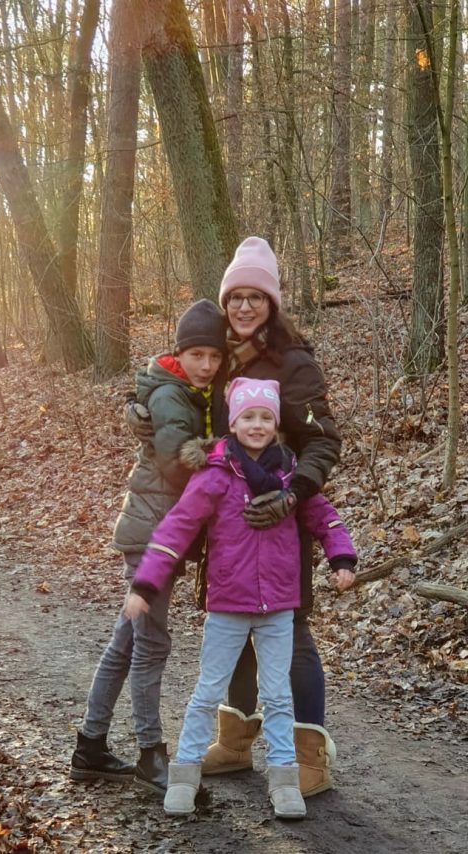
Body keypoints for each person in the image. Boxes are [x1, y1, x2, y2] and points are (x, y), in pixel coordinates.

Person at [127, 236, 355, 796]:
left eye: (257, 297)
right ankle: (234, 742)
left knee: (291, 635)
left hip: (280, 521)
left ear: (272, 304)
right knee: (232, 628)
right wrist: (148, 419)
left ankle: (308, 758)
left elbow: (323, 441)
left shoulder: (292, 363)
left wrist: (295, 493)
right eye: (237, 297)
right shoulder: (222, 357)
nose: (245, 306)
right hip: (226, 524)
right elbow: (187, 399)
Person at [70, 299, 229, 794]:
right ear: (180, 354)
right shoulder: (172, 397)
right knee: (151, 644)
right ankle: (150, 754)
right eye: (197, 354)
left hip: (161, 533)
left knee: (127, 641)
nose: (206, 365)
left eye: (214, 356)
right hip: (153, 536)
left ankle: (90, 746)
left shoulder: (187, 392)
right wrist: (229, 455)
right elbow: (176, 464)